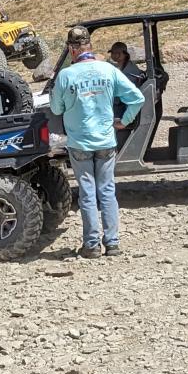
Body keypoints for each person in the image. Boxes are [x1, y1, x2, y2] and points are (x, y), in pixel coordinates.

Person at [51, 26, 144, 259]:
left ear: (72, 50)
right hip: (105, 140)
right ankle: (113, 243)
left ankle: (91, 245)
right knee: (107, 190)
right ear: (89, 46)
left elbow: (56, 108)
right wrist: (125, 120)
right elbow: (137, 98)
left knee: (87, 193)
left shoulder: (66, 76)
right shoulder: (108, 70)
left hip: (79, 143)